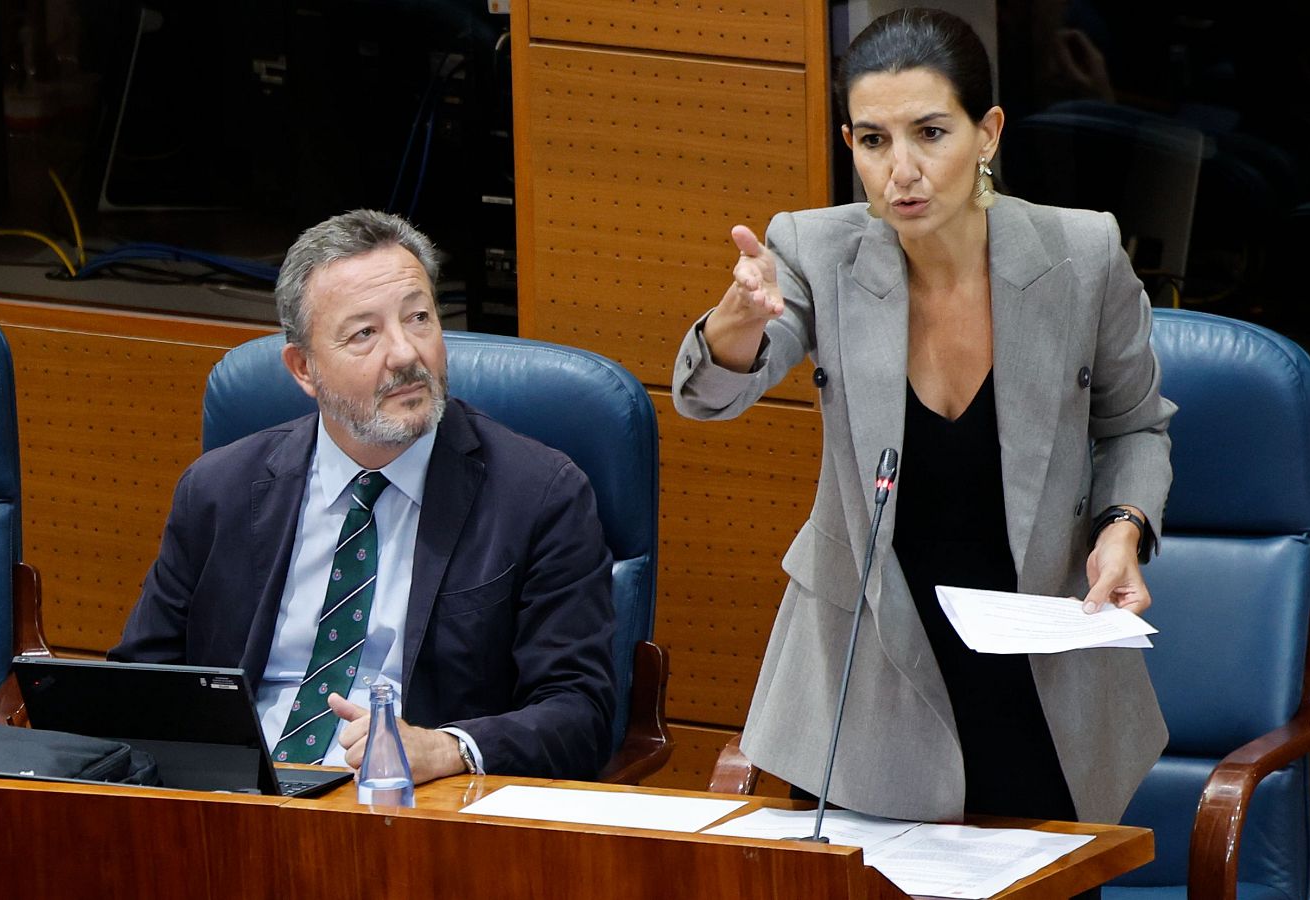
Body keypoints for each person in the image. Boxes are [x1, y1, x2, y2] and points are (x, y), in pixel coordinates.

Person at [672, 8, 1174, 830]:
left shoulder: (1082, 256)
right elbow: (710, 396)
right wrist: (735, 324)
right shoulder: (811, 250)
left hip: (1034, 675)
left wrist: (1122, 528)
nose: (900, 170)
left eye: (930, 133)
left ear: (988, 133)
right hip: (866, 679)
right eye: (872, 141)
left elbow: (1135, 426)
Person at [112, 209, 617, 785]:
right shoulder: (218, 489)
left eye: (419, 318)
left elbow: (580, 713)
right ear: (304, 368)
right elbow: (142, 684)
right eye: (364, 333)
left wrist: (448, 748)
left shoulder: (538, 494)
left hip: (412, 813)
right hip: (236, 804)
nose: (405, 354)